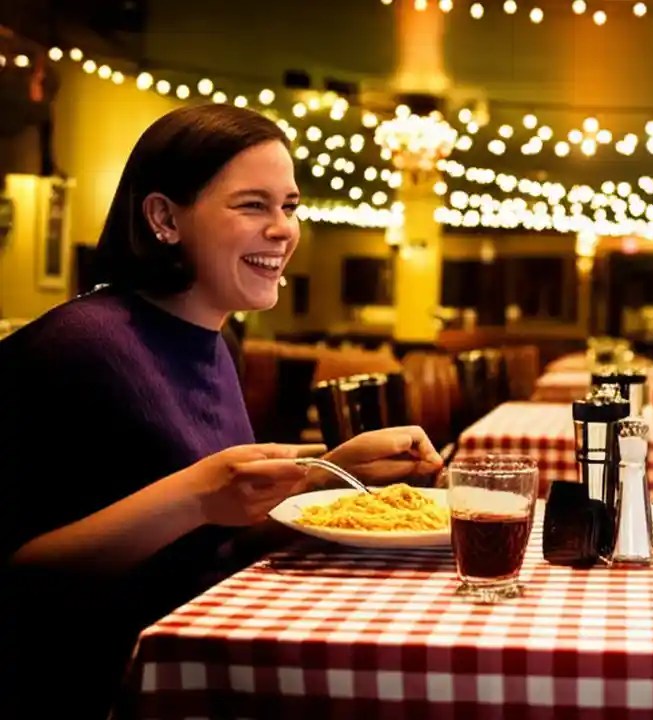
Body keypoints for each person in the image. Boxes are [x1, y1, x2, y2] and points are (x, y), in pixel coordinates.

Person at [0, 105, 444, 718]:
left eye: (288, 206)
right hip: (108, 688)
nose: (284, 230)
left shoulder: (218, 342)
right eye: (253, 205)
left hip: (215, 653)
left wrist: (329, 472)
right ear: (164, 218)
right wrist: (200, 494)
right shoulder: (77, 346)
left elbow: (209, 541)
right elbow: (23, 577)